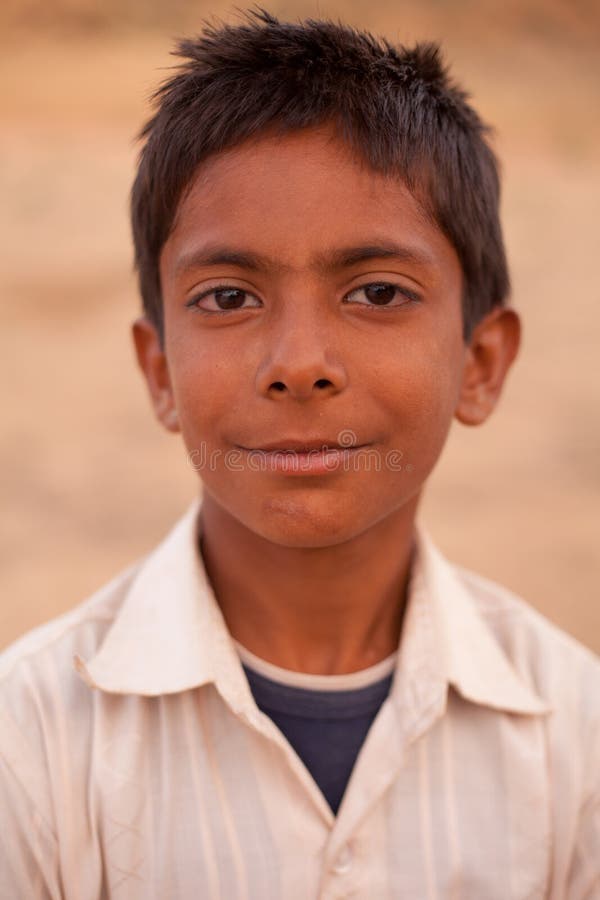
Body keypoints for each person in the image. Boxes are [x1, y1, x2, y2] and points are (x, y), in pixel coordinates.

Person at [1, 10, 598, 899]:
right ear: (159, 370)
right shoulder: (32, 740)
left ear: (480, 363)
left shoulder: (574, 738)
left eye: (379, 291)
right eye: (229, 295)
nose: (299, 366)